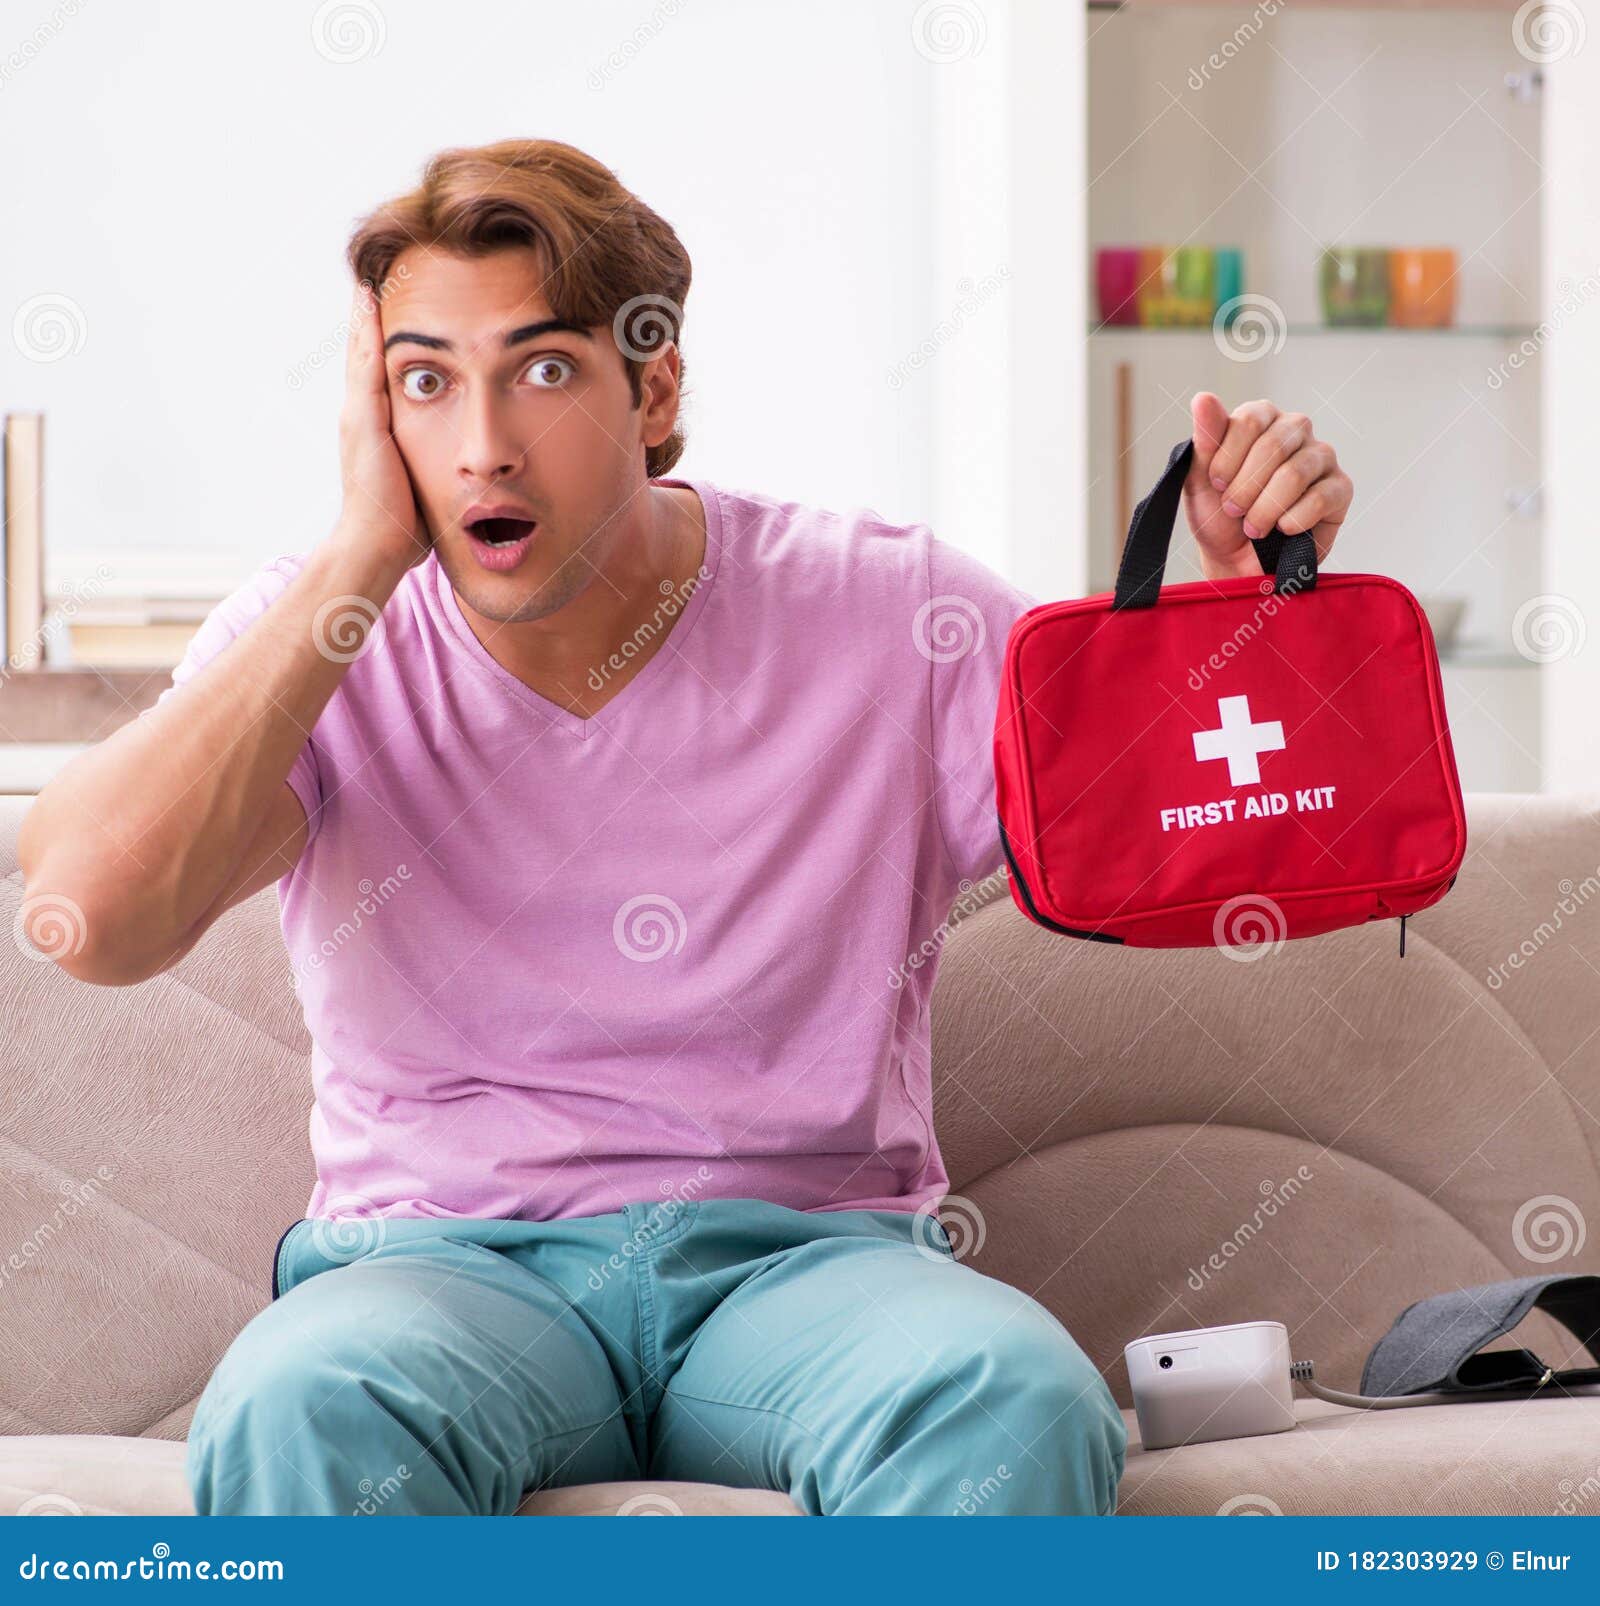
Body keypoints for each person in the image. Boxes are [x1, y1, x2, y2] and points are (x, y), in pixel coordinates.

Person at [15, 138, 1353, 1516]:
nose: (482, 444)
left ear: (652, 388)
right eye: (427, 382)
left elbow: (1188, 853)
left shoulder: (895, 611)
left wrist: (1243, 615)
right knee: (303, 1402)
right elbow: (90, 920)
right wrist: (361, 554)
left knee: (1010, 1396)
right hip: (438, 1274)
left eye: (542, 371)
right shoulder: (320, 636)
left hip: (810, 1268)